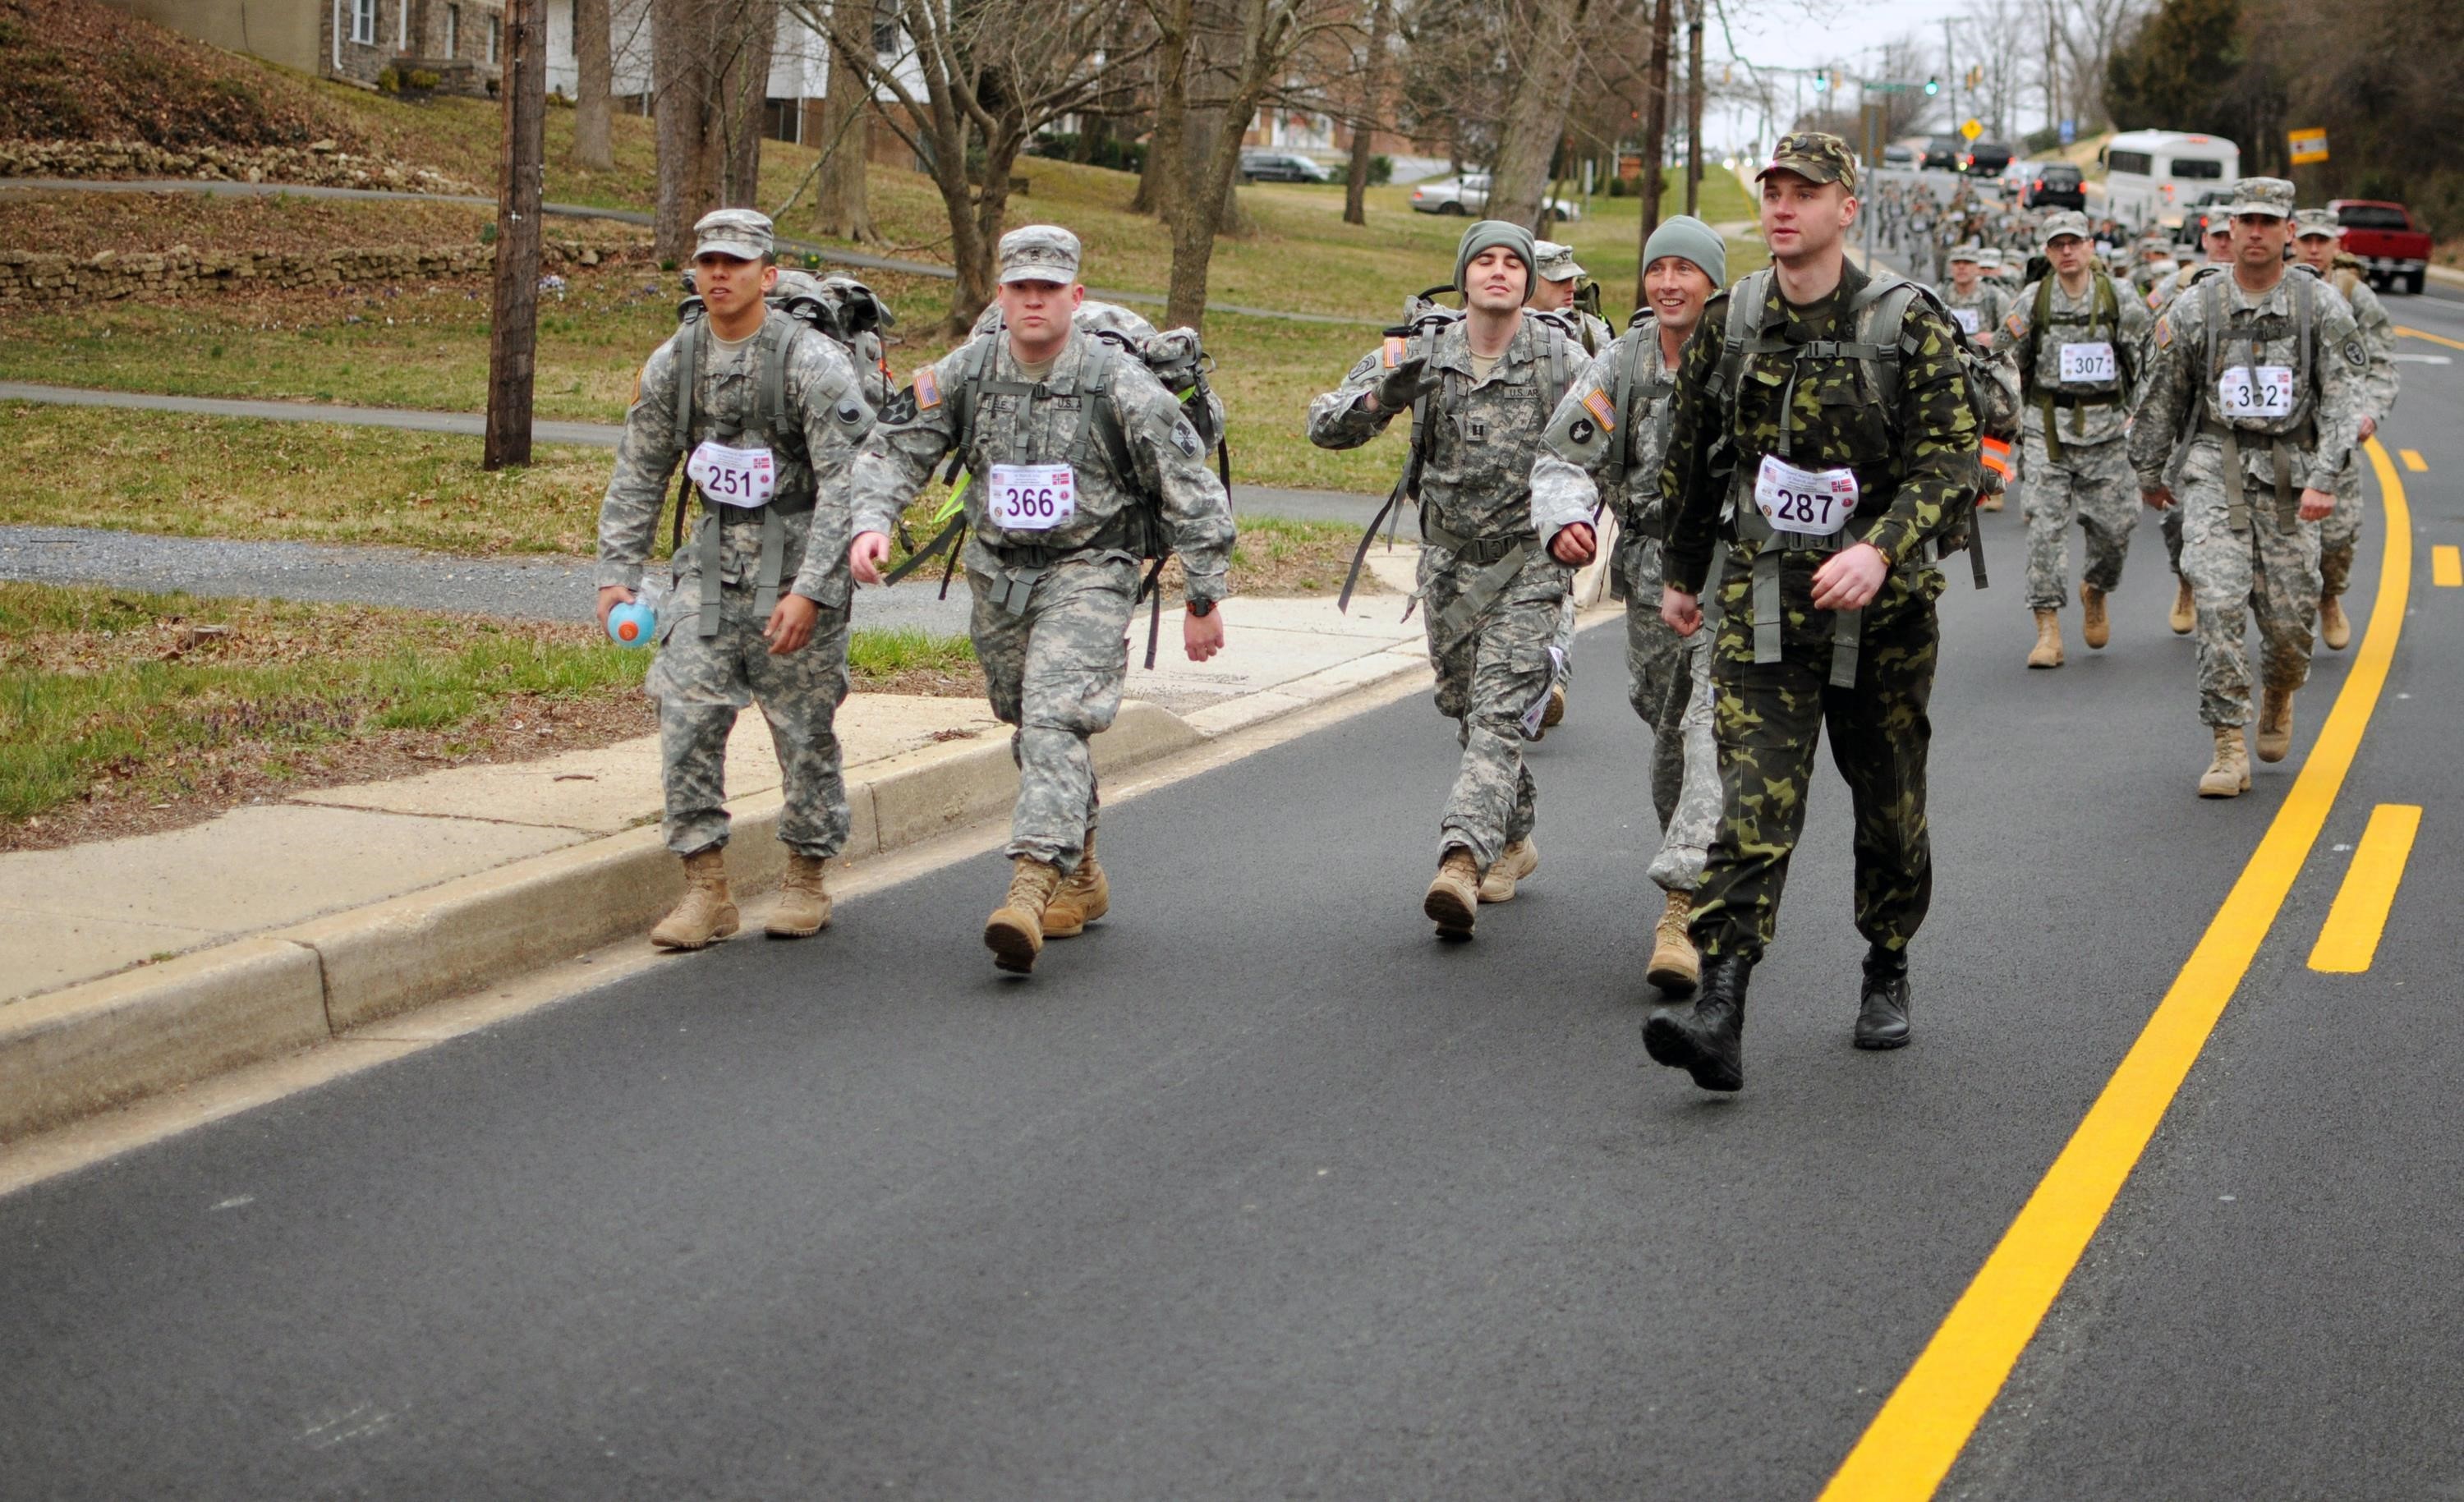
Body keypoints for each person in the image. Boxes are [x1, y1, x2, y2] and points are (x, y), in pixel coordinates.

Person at [1645, 132, 1979, 1092]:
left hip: (1887, 614)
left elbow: (1952, 464)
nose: (1784, 205)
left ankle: (1886, 960)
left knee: (1888, 807)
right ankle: (1721, 1006)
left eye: (1806, 191)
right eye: (1774, 189)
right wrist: (1681, 566)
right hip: (1766, 604)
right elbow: (1695, 448)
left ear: (1847, 207)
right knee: (1752, 801)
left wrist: (1879, 548)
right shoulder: (1734, 318)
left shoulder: (1904, 323)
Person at [844, 224, 1237, 972]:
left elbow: (1193, 489)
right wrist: (872, 524)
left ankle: (1028, 888)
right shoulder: (966, 370)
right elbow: (898, 447)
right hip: (998, 571)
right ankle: (1084, 868)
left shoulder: (1119, 383)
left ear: (1074, 298)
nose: (1033, 301)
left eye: (1048, 289)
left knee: (1056, 713)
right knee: (1027, 719)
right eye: (1020, 287)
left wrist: (1203, 595)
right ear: (1001, 296)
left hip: (1093, 567)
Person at [595, 208, 878, 949]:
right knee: (685, 711)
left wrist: (812, 591)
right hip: (711, 566)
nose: (720, 274)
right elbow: (640, 468)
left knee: (804, 729)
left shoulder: (812, 362)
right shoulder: (676, 360)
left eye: (737, 263)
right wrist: (617, 572)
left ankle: (806, 876)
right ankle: (706, 888)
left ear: (768, 275)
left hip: (799, 558)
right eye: (709, 262)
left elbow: (848, 484)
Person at [1308, 220, 1580, 938]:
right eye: (1483, 261)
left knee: (1497, 714)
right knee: (1465, 709)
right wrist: (1383, 397)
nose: (1498, 272)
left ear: (1528, 278)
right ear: (1464, 277)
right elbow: (1323, 426)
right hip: (1450, 567)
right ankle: (1514, 838)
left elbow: (1611, 437)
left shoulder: (1560, 354)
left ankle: (1460, 857)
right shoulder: (1418, 349)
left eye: (1511, 263)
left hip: (1530, 565)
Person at [1528, 214, 1727, 994]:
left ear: (1713, 282)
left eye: (1686, 270)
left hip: (1729, 572)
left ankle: (1681, 906)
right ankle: (1702, 866)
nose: (1670, 283)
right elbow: (1561, 453)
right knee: (1669, 728)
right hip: (1647, 572)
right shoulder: (1624, 360)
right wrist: (1568, 518)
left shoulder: (1742, 359)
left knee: (1712, 724)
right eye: (1658, 269)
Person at [2128, 179, 2365, 798]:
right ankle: (2227, 745)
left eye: (2268, 221)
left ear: (2289, 233)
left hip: (2293, 474)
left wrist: (2325, 478)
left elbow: (2343, 399)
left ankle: (2279, 692)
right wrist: (2150, 472)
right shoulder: (2197, 307)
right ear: (2227, 231)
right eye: (2245, 221)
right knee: (2218, 597)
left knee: (2288, 626)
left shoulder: (2319, 308)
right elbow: (2162, 397)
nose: (2255, 232)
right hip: (2215, 465)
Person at [2002, 209, 2152, 668]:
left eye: (2074, 243)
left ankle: (2096, 589)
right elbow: (2005, 364)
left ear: (2090, 247)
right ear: (2047, 253)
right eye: (2057, 245)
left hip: (2107, 432)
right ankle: (2048, 629)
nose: (2066, 251)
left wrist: (2141, 419)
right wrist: (2009, 426)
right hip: (2048, 432)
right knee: (2044, 532)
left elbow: (2146, 361)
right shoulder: (2033, 302)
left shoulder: (2118, 297)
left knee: (2117, 527)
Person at [2292, 209, 2398, 650]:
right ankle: (2288, 625)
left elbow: (2382, 363)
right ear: (2292, 241)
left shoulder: (2355, 295)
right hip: (2282, 440)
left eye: (2323, 241)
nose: (2314, 249)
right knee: (2283, 542)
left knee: (2338, 536)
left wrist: (2369, 412)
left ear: (2336, 245)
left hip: (2338, 440)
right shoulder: (2276, 289)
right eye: (2307, 240)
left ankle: (2330, 598)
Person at [1524, 240, 1614, 733]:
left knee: (1555, 583)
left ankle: (1550, 685)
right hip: (1503, 487)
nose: (1570, 289)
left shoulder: (1589, 334)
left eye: (1573, 279)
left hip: (1566, 479)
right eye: (1557, 280)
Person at [1939, 242, 2008, 351]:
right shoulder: (1939, 296)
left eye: (1967, 262)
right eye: (1956, 263)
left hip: (1984, 360)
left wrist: (1994, 337)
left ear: (1977, 267)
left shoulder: (1995, 297)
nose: (1961, 267)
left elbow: (2010, 334)